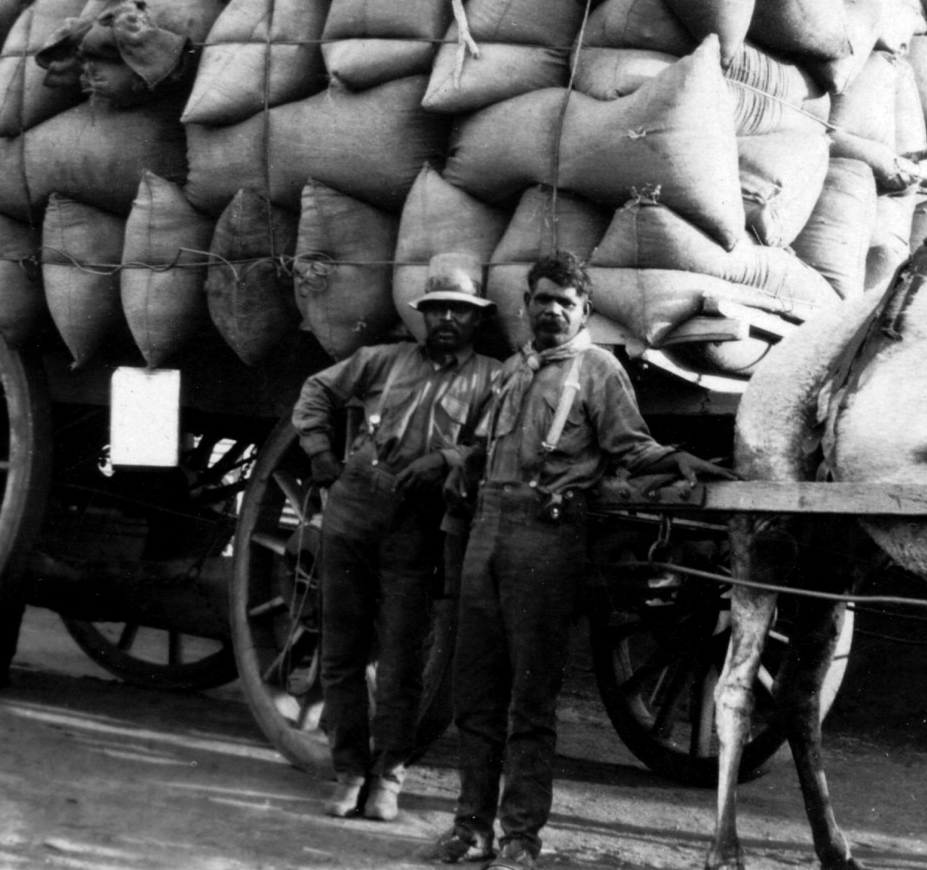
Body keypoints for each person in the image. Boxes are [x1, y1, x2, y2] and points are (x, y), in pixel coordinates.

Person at [431, 251, 731, 870]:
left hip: (546, 537)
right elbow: (481, 452)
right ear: (526, 306)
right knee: (474, 690)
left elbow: (631, 447)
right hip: (487, 531)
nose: (552, 311)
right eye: (542, 299)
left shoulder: (599, 372)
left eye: (565, 303)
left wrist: (676, 462)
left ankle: (519, 837)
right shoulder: (513, 371)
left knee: (529, 698)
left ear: (584, 310)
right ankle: (470, 827)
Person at [291, 253, 502, 822]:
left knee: (402, 661)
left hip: (416, 526)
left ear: (476, 319)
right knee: (341, 652)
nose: (446, 320)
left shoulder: (492, 377)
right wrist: (319, 454)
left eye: (458, 310)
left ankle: (388, 778)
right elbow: (316, 391)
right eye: (436, 310)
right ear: (423, 317)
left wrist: (447, 458)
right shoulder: (382, 362)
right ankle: (349, 772)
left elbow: (495, 444)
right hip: (354, 513)